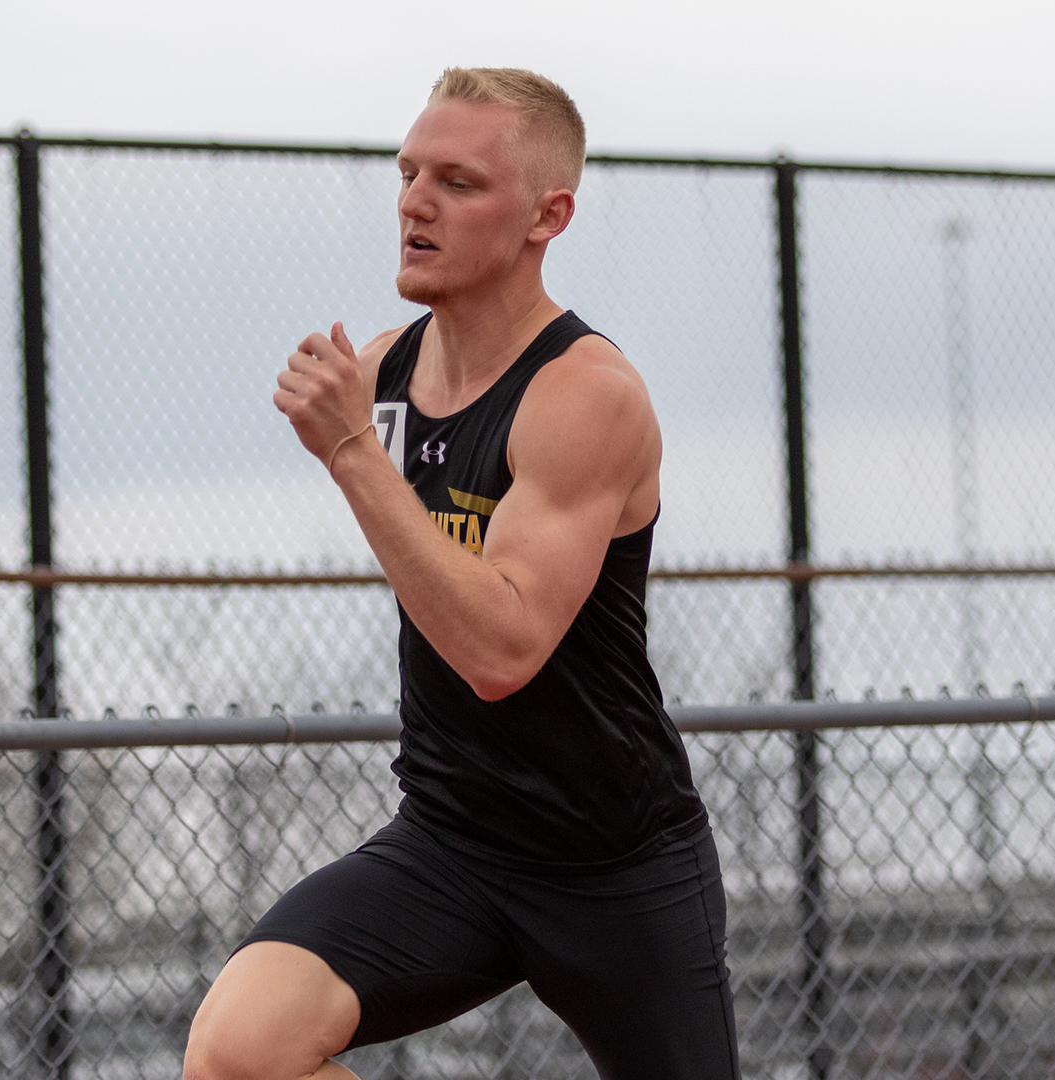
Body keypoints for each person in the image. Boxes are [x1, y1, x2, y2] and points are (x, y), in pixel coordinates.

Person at [184, 67, 738, 1080]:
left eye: (457, 182)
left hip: (614, 864)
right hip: (452, 842)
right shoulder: (384, 376)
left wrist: (353, 453)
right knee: (238, 1049)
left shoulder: (587, 396)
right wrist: (362, 436)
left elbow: (501, 650)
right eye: (406, 175)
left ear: (546, 214)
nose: (413, 203)